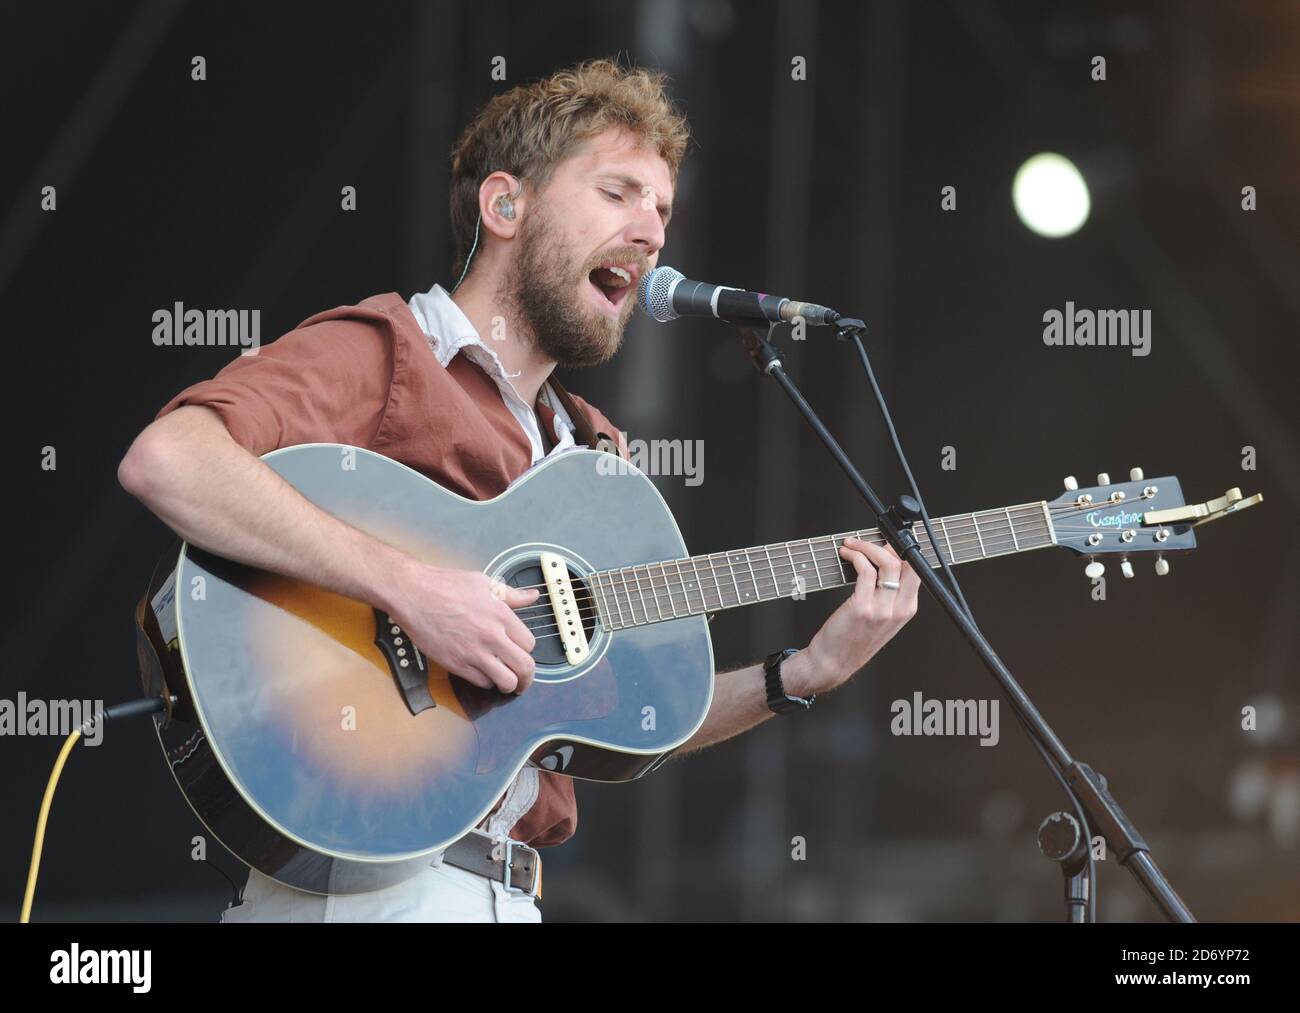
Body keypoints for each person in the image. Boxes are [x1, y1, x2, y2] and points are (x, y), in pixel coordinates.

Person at [117, 58, 921, 923]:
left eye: (662, 210)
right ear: (506, 207)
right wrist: (413, 591)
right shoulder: (391, 350)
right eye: (619, 193)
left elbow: (630, 720)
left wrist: (802, 672)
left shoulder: (592, 454)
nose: (652, 233)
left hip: (504, 893)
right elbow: (170, 459)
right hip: (369, 892)